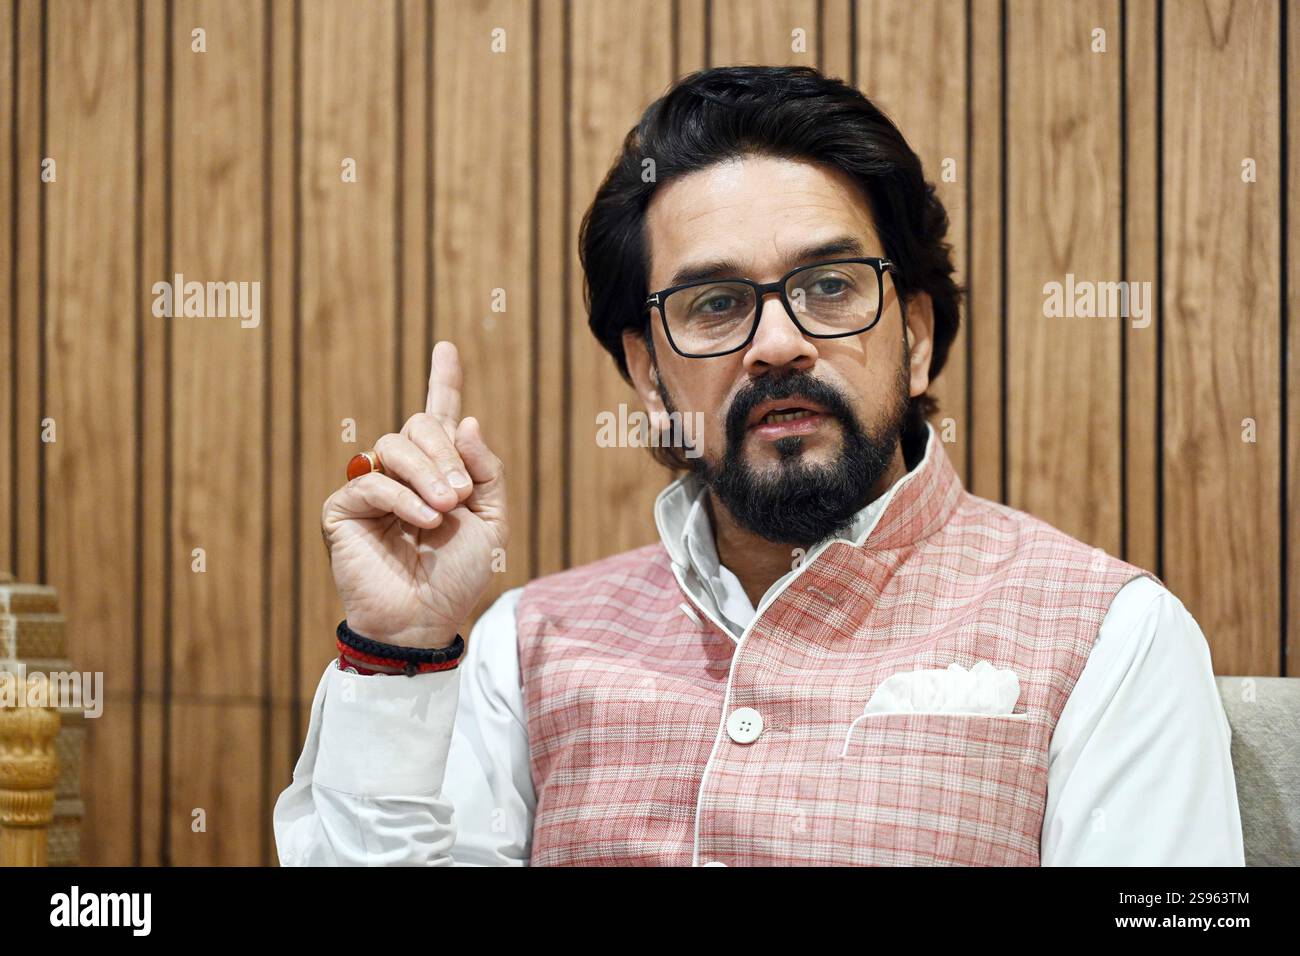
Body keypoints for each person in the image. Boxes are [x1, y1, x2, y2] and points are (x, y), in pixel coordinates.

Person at [273, 66, 1243, 866]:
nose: (776, 342)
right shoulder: (526, 645)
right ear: (649, 371)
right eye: (713, 303)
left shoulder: (1111, 637)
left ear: (913, 336)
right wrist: (397, 648)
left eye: (828, 285)